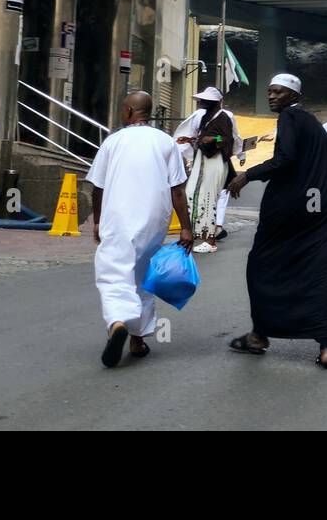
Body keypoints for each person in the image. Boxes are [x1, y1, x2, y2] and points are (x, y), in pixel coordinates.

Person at [226, 74, 327, 370]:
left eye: (279, 92)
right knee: (320, 269)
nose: (271, 96)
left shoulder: (289, 118)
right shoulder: (312, 122)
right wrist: (312, 179)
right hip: (319, 208)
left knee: (262, 264)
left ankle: (259, 335)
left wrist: (246, 174)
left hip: (288, 207)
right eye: (269, 91)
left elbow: (285, 159)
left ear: (293, 96)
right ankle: (325, 347)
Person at [86, 91, 193, 369]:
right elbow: (178, 190)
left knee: (113, 274)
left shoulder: (113, 142)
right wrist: (186, 228)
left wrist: (97, 221)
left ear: (128, 111)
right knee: (143, 274)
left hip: (118, 217)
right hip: (154, 220)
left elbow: (97, 187)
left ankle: (119, 322)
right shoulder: (165, 142)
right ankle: (138, 339)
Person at [174, 87, 243, 253]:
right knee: (192, 195)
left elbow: (226, 138)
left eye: (204, 100)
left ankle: (210, 241)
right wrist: (191, 139)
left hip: (215, 162)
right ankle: (196, 235)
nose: (200, 102)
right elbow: (203, 138)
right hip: (202, 160)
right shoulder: (206, 117)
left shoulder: (223, 117)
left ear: (214, 102)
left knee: (208, 198)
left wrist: (214, 138)